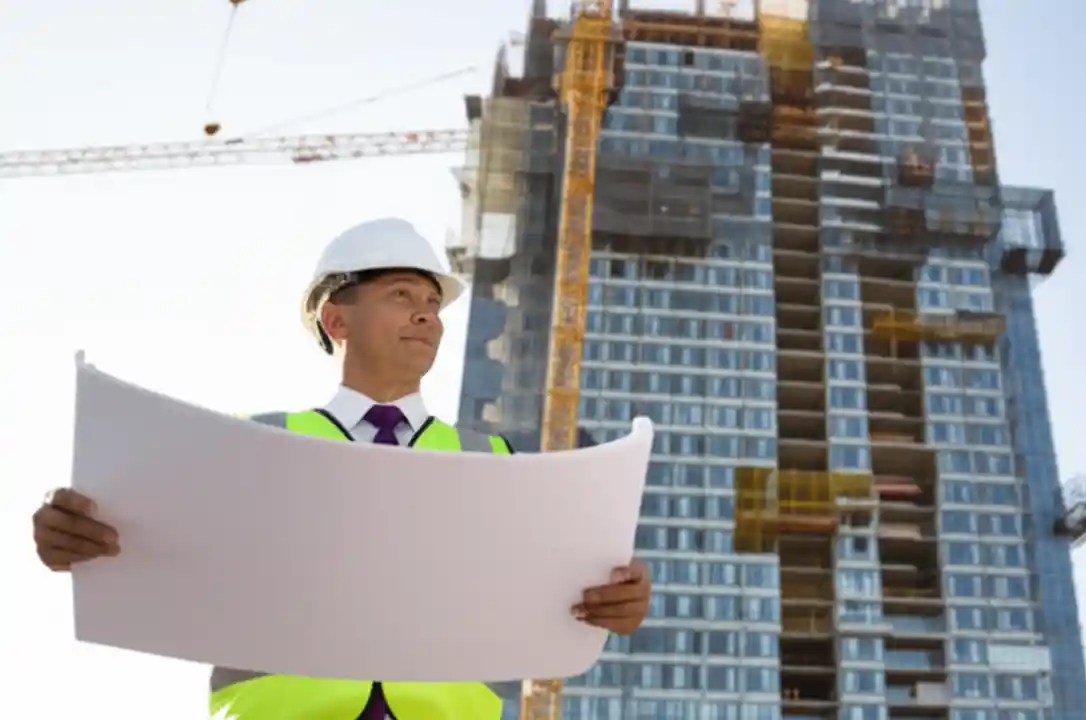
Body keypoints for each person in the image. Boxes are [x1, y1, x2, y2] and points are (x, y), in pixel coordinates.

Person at [30, 218, 652, 720]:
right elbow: (136, 535)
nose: (426, 315)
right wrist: (69, 534)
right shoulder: (248, 443)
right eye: (401, 295)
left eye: (433, 302)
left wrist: (616, 599)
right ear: (337, 320)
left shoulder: (499, 465)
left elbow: (555, 593)